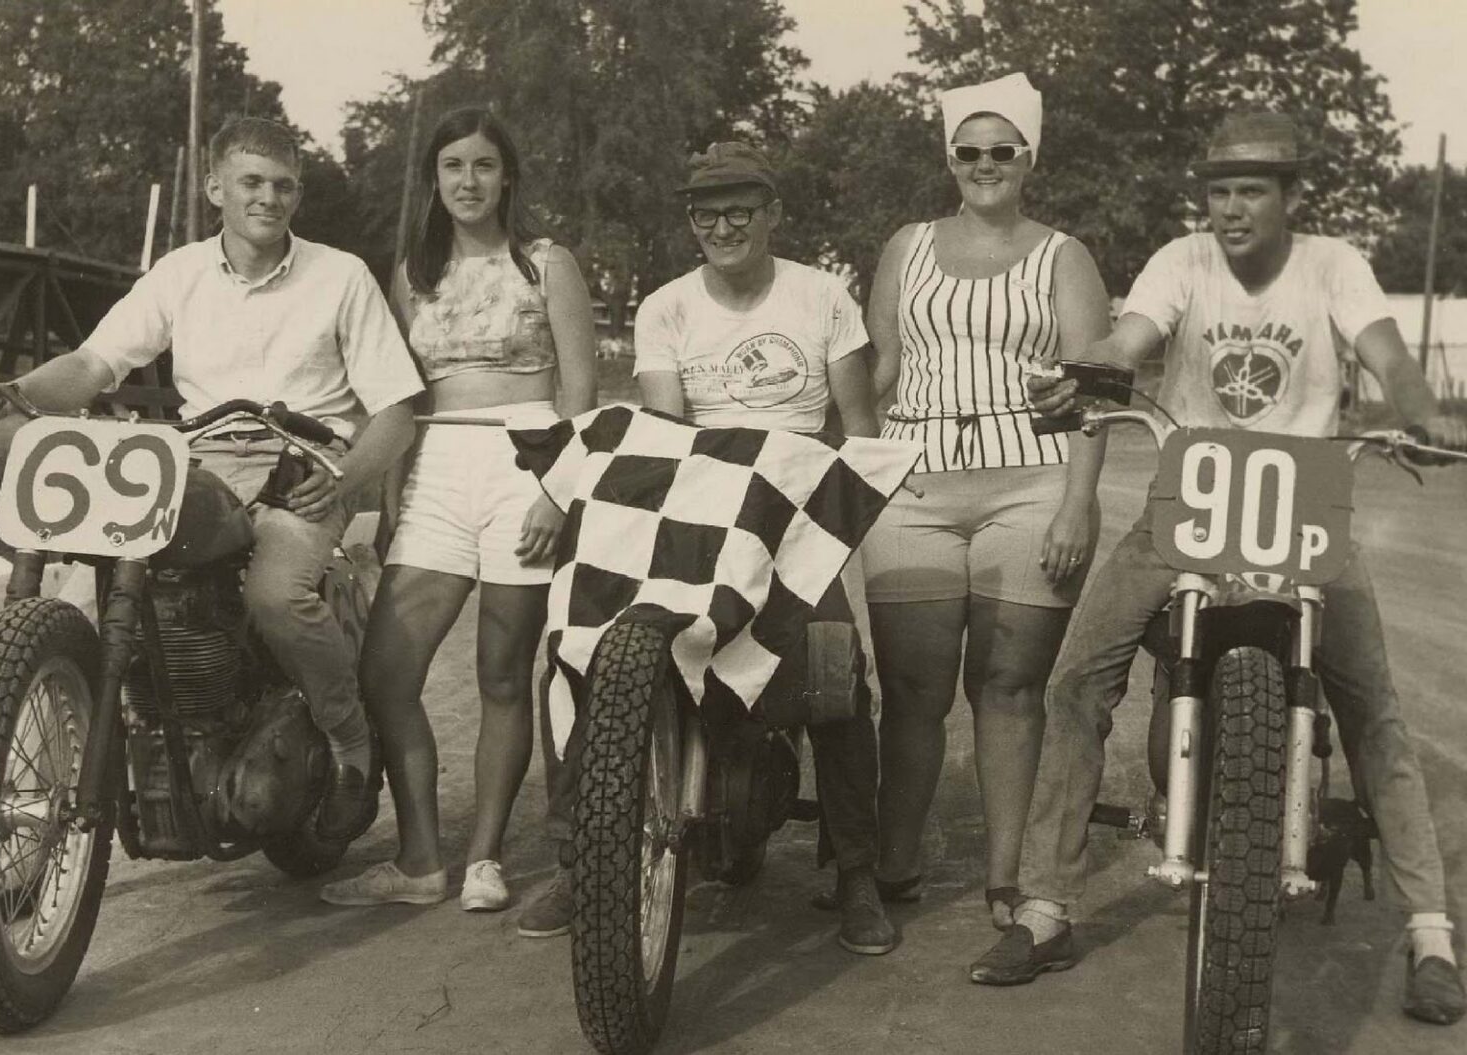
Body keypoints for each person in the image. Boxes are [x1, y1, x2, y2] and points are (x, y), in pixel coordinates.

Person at [971, 111, 1467, 1027]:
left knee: (1373, 708)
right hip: (1188, 500)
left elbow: (1390, 355)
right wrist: (1089, 370)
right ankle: (1045, 906)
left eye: (1251, 190)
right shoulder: (1182, 260)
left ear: (1290, 198)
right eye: (1219, 191)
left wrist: (1423, 409)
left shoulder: (1334, 265)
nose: (1231, 208)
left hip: (1308, 504)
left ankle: (1431, 931)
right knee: (1078, 678)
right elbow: (1129, 339)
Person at [0, 117, 421, 843]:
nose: (269, 198)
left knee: (274, 593)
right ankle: (46, 773)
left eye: (284, 185)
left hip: (302, 464)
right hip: (195, 459)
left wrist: (344, 478)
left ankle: (348, 737)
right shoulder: (181, 271)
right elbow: (94, 362)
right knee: (86, 590)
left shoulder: (342, 276)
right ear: (215, 188)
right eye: (251, 182)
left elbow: (395, 412)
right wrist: (12, 391)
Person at [319, 107, 596, 911]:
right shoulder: (411, 271)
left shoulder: (549, 264)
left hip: (527, 460)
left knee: (502, 672)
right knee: (387, 670)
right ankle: (419, 860)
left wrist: (557, 486)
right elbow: (398, 396)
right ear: (434, 180)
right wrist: (392, 496)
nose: (467, 181)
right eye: (452, 167)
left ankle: (484, 860)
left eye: (482, 165)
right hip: (438, 465)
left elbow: (579, 392)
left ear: (507, 176)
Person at [625, 140, 894, 955]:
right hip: (706, 505)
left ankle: (855, 870)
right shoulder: (665, 306)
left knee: (834, 668)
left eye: (742, 207)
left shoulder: (821, 295)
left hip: (804, 510)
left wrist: (830, 531)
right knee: (614, 651)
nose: (724, 224)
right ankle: (598, 846)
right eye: (706, 210)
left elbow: (857, 427)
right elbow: (667, 435)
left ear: (774, 213)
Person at [857, 72, 1111, 930]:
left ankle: (1005, 875)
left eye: (1002, 151)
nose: (984, 165)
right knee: (912, 686)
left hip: (1032, 484)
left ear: (1029, 157)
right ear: (950, 158)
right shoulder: (907, 245)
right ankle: (894, 863)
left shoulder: (1064, 256)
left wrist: (1078, 504)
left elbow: (1090, 391)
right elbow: (882, 369)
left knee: (1008, 686)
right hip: (914, 485)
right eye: (968, 151)